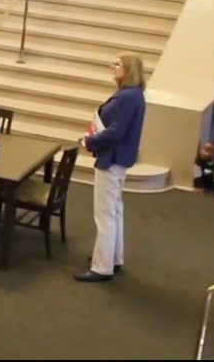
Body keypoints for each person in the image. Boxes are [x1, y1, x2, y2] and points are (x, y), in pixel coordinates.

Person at [75, 53, 146, 283]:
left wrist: (90, 141)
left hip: (112, 158)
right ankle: (113, 258)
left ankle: (102, 266)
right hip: (119, 158)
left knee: (105, 213)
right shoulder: (132, 94)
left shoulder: (127, 97)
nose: (112, 67)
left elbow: (116, 131)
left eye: (117, 64)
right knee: (114, 209)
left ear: (128, 70)